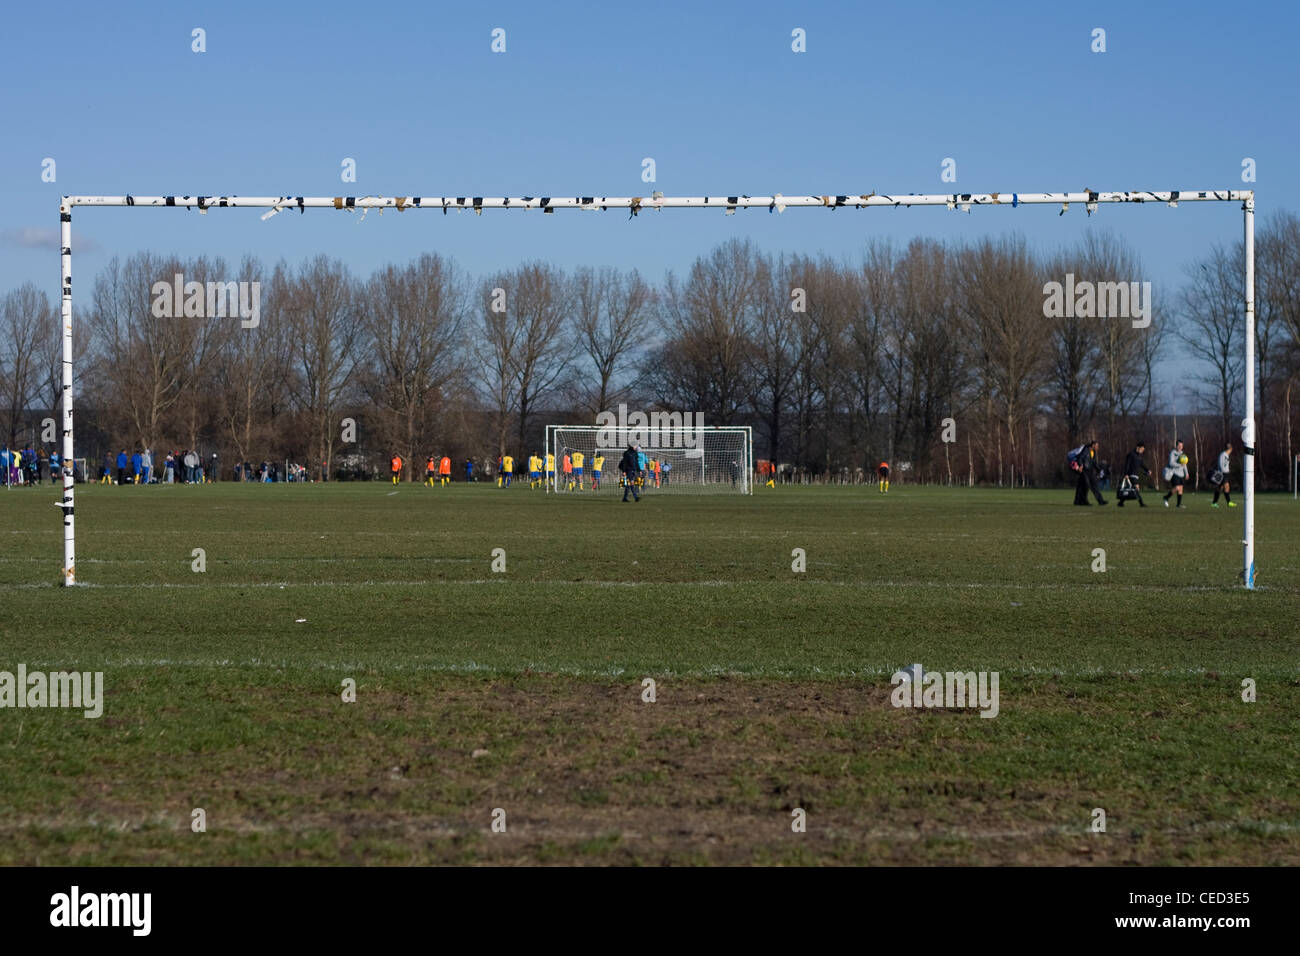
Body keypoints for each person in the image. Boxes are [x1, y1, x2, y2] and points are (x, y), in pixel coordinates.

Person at [1117, 441, 1151, 508]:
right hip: (1131, 475)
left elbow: (1142, 464)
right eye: (1142, 449)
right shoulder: (1131, 454)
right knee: (1136, 488)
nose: (1142, 451)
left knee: (1131, 489)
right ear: (1138, 447)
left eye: (1143, 450)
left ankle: (1121, 502)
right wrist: (1126, 474)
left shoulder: (1139, 456)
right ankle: (1141, 503)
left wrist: (1147, 470)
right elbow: (1127, 464)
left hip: (1136, 475)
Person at [1073, 439, 1106, 506]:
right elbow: (1080, 458)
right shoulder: (1086, 450)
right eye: (1097, 446)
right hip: (1084, 470)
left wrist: (1098, 469)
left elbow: (1094, 462)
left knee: (1094, 486)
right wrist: (1081, 465)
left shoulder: (1093, 452)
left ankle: (1101, 501)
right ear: (1093, 445)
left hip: (1090, 471)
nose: (1097, 447)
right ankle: (1083, 501)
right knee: (1086, 485)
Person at [1162, 440, 1188, 509]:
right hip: (1174, 473)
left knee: (1180, 489)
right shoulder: (1173, 453)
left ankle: (1178, 505)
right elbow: (1171, 463)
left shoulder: (1183, 453)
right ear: (1176, 445)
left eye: (1181, 446)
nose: (1180, 447)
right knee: (1176, 488)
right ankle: (1166, 497)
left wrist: (1186, 473)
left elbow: (1184, 464)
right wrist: (1179, 465)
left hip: (1181, 474)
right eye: (1179, 446)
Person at [1209, 443, 1235, 508]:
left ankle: (1214, 503)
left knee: (1219, 488)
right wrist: (1223, 471)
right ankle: (1229, 502)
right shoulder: (1223, 454)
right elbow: (1220, 464)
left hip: (1225, 473)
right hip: (1222, 473)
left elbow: (1225, 465)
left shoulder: (1226, 455)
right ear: (1230, 449)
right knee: (1226, 486)